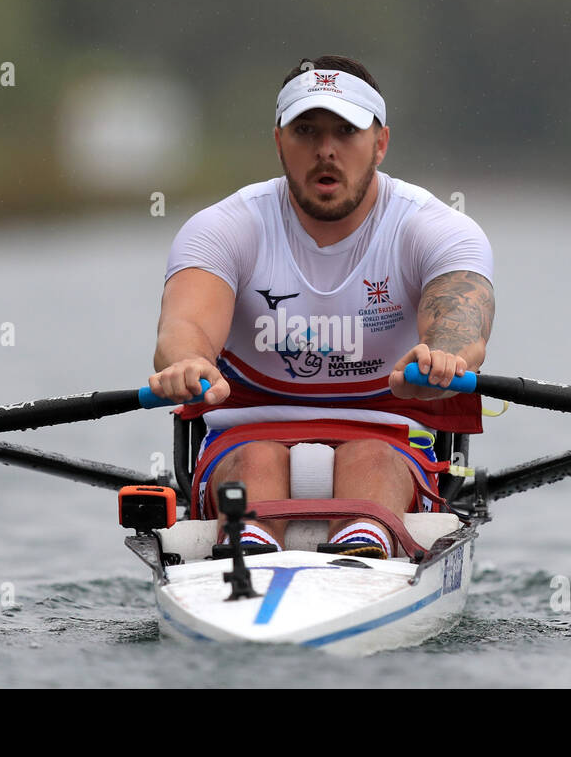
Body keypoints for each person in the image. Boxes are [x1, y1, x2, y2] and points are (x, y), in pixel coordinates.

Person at [148, 54, 494, 558]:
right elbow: (186, 324)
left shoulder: (435, 229)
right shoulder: (224, 227)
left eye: (346, 132)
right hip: (245, 437)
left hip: (388, 437)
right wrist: (187, 362)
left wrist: (444, 356)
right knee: (255, 461)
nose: (325, 151)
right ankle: (247, 548)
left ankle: (363, 545)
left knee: (371, 457)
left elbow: (463, 321)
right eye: (306, 130)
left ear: (380, 142)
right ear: (278, 142)